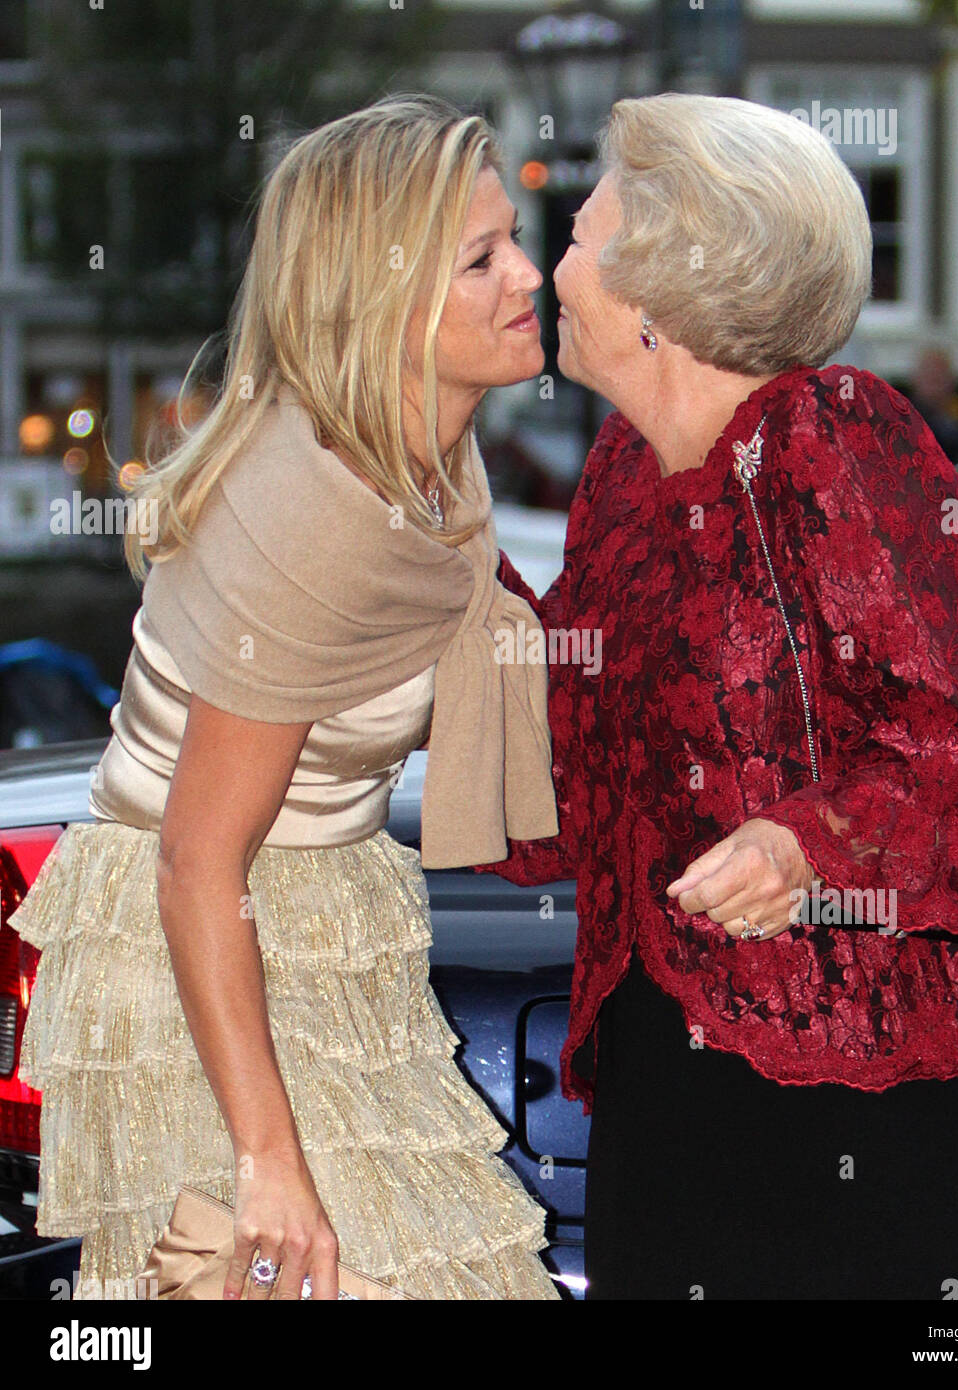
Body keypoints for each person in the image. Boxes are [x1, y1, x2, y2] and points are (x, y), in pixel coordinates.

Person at [477, 93, 958, 1300]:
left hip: (867, 1058)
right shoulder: (620, 476)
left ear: (667, 285)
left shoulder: (829, 430)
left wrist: (807, 839)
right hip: (675, 1044)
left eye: (582, 235)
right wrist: (439, 538)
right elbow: (557, 751)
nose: (554, 266)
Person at [10, 94, 562, 1301]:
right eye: (481, 257)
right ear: (384, 301)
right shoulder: (311, 512)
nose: (528, 272)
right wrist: (268, 1158)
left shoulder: (426, 456)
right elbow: (196, 862)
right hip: (203, 952)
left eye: (510, 235)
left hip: (323, 923)